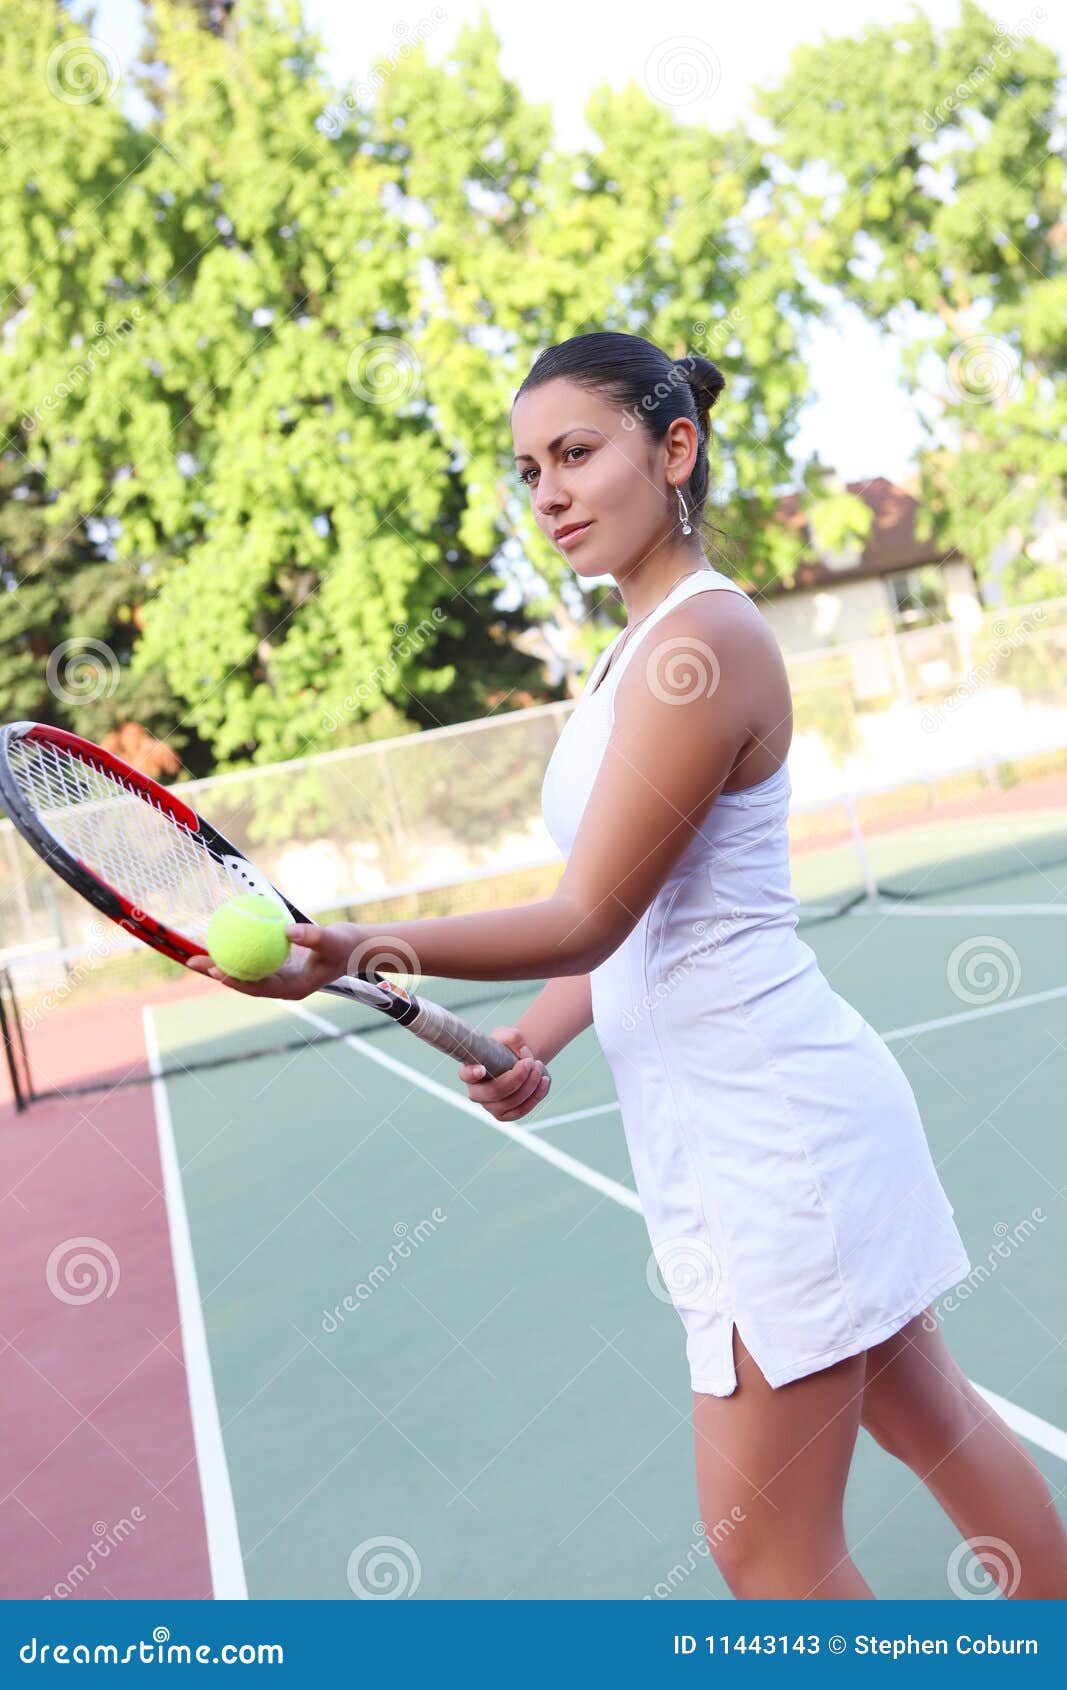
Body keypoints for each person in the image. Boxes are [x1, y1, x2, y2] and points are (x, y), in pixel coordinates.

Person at [190, 330, 1067, 1602]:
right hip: (757, 1128)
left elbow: (587, 914)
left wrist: (348, 944)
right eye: (527, 466)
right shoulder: (631, 650)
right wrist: (539, 1034)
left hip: (772, 1141)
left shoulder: (691, 650)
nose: (545, 492)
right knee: (926, 1421)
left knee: (763, 1545)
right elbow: (643, 927)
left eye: (575, 452)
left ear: (673, 450)